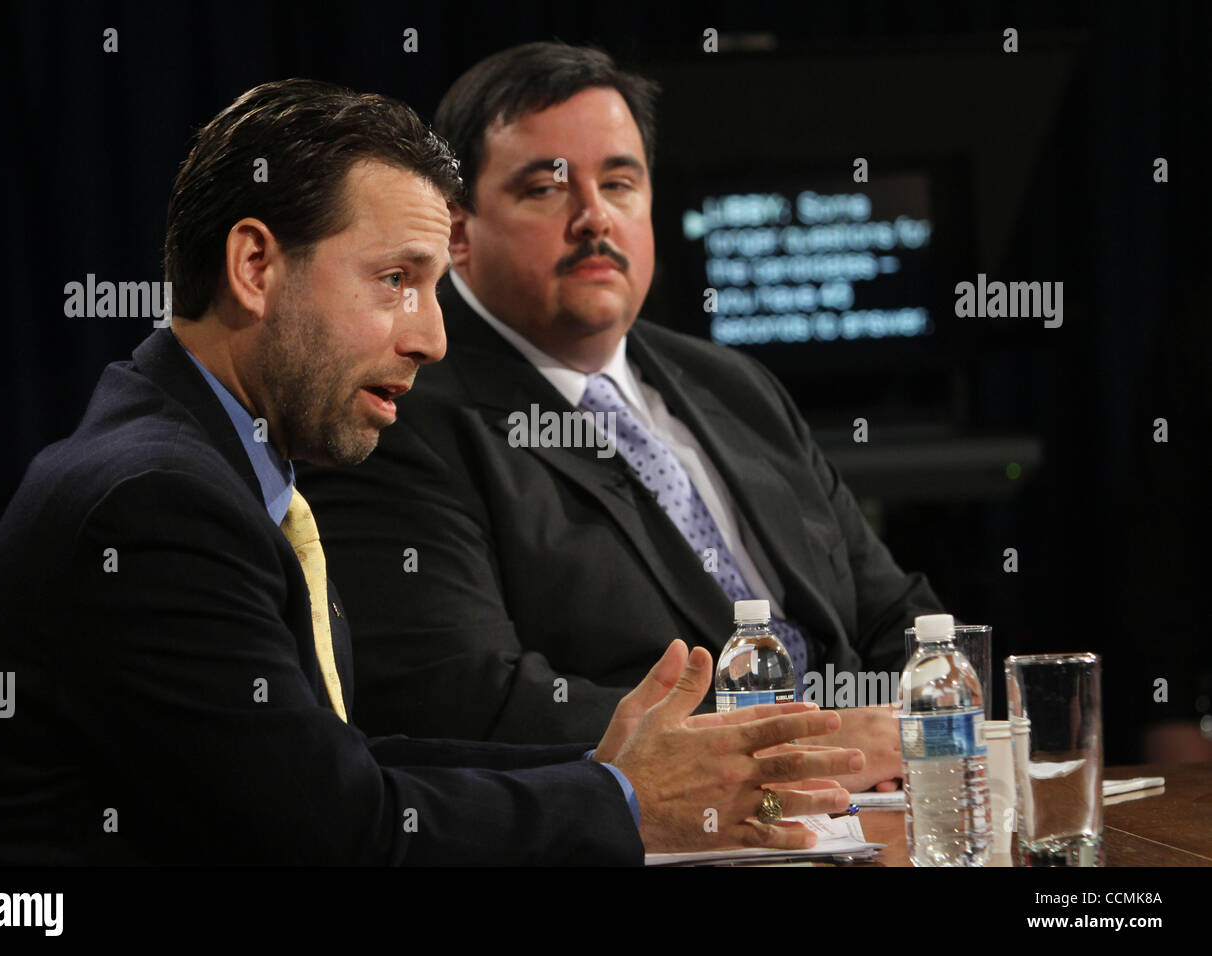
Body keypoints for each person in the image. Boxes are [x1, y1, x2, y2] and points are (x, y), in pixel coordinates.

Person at [0, 79, 862, 865]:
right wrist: (619, 801)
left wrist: (610, 760)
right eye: (396, 281)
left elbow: (337, 766)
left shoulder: (203, 453)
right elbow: (347, 838)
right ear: (255, 266)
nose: (432, 336)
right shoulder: (155, 501)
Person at [298, 44, 943, 792]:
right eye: (547, 188)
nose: (593, 216)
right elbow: (465, 700)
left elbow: (899, 613)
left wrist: (919, 728)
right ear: (458, 231)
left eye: (620, 182)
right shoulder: (404, 413)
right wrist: (794, 745)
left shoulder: (733, 384)